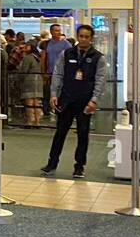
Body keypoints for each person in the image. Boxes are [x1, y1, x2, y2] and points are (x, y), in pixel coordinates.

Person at [42, 23, 109, 178]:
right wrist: (54, 94)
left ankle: (79, 166)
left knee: (83, 134)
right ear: (77, 37)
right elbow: (58, 74)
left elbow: (100, 80)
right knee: (60, 133)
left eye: (87, 37)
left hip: (85, 102)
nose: (83, 39)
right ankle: (51, 164)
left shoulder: (98, 58)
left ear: (91, 39)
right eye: (81, 36)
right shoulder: (66, 54)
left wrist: (94, 100)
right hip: (66, 99)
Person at [42, 24, 72, 121]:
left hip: (62, 73)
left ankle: (60, 111)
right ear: (51, 32)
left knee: (60, 92)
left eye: (59, 30)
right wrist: (44, 72)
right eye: (56, 30)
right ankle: (49, 111)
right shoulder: (47, 44)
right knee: (49, 92)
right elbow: (44, 58)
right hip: (50, 72)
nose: (58, 32)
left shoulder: (66, 44)